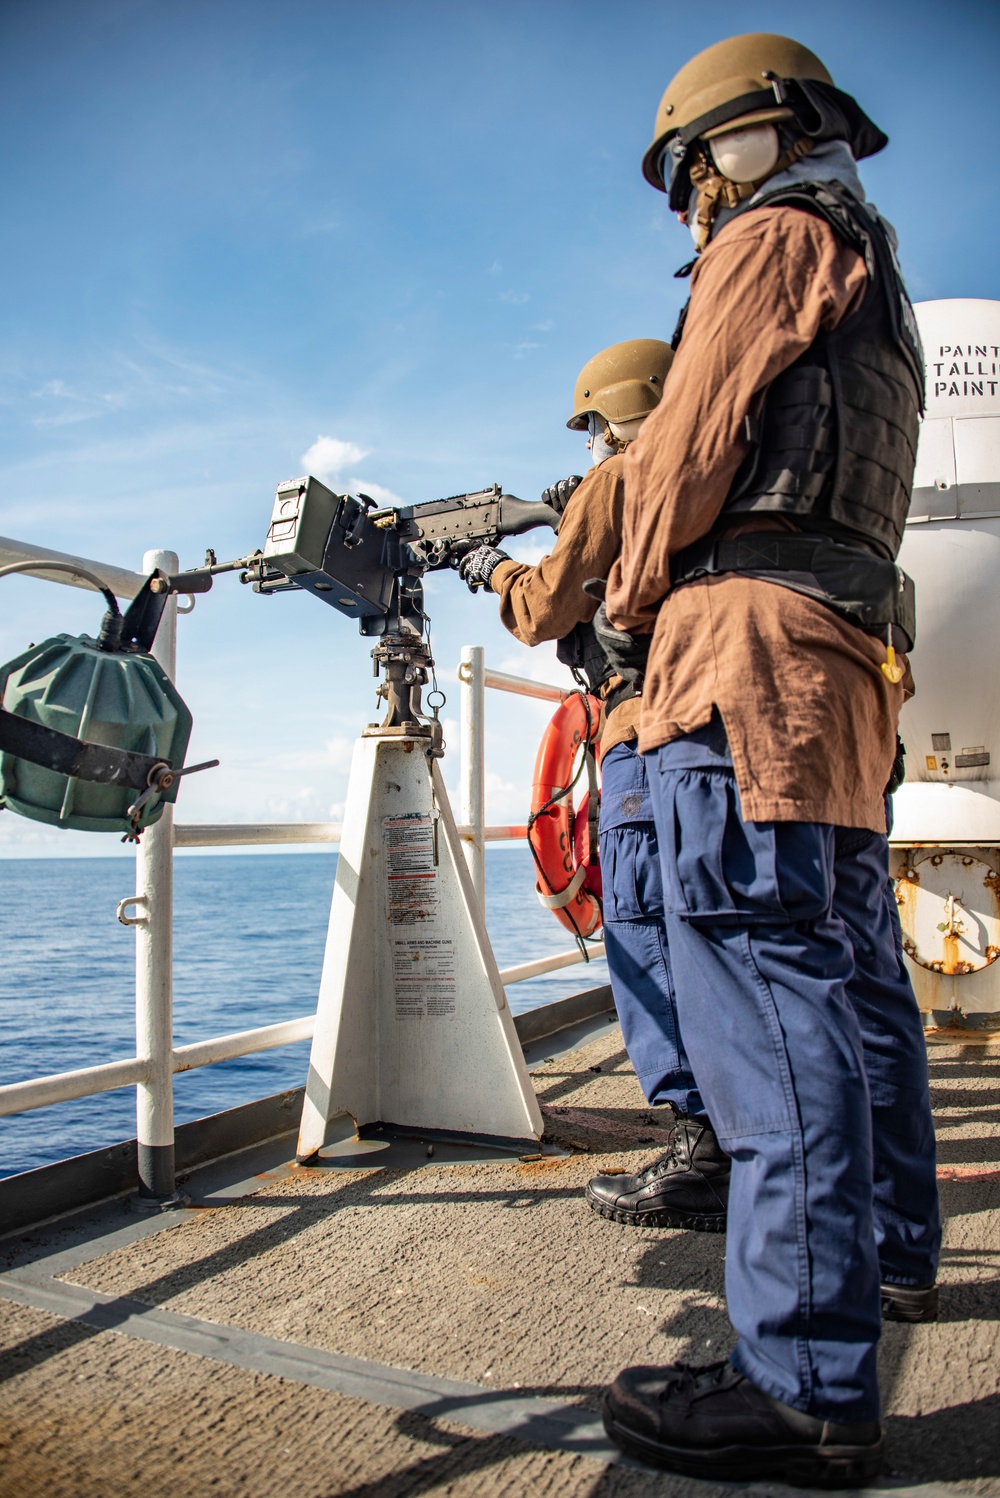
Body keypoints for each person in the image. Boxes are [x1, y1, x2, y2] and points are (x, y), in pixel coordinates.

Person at [598, 33, 941, 1487]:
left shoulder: (771, 235)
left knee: (764, 998)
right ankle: (894, 1257)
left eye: (692, 169)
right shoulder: (877, 267)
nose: (692, 201)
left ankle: (802, 1378)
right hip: (842, 664)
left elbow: (686, 446)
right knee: (855, 980)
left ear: (746, 138)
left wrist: (629, 602)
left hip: (743, 657)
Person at [458, 339, 729, 1232]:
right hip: (722, 725)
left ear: (618, 416)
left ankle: (701, 1148)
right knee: (726, 929)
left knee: (646, 925)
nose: (588, 446)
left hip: (644, 727)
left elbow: (544, 608)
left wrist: (490, 569)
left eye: (593, 428)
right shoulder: (723, 465)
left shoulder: (624, 476)